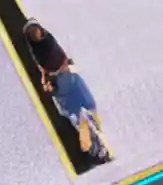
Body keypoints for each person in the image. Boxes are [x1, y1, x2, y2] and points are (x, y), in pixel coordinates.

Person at [22, 19, 112, 163]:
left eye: (35, 31)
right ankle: (95, 145)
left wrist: (53, 76)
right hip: (62, 80)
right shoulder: (43, 46)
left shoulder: (45, 46)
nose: (35, 34)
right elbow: (48, 64)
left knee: (77, 115)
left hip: (62, 80)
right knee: (78, 114)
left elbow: (53, 62)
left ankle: (96, 146)